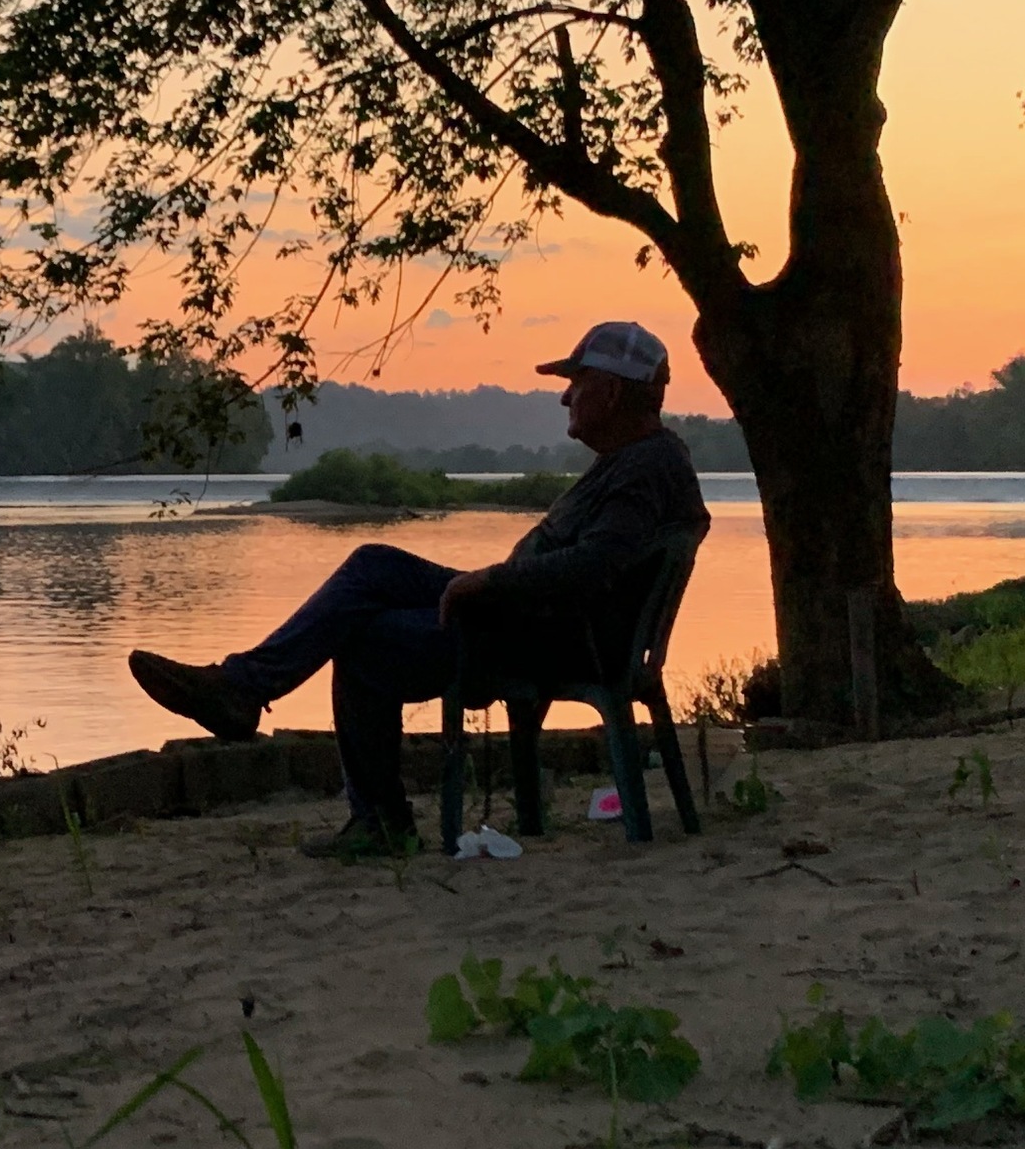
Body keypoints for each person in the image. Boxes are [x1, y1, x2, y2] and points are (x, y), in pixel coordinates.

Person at [129, 320, 711, 856]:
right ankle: (242, 685)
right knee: (373, 564)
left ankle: (373, 812)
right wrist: (493, 584)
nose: (564, 397)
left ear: (609, 392)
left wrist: (489, 580)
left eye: (576, 383)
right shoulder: (638, 460)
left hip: (546, 640)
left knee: (363, 640)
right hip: (530, 623)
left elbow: (594, 566)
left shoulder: (645, 465)